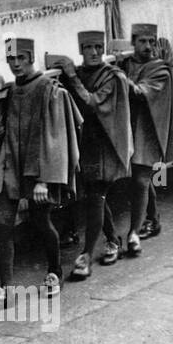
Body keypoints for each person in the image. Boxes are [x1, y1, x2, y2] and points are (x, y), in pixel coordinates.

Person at [0, 38, 81, 298]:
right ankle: (6, 287)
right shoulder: (13, 90)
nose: (15, 64)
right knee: (2, 224)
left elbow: (54, 137)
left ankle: (54, 271)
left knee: (41, 220)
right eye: (11, 59)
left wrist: (44, 180)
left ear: (31, 57)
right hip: (12, 165)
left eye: (20, 58)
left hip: (38, 170)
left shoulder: (48, 89)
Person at [53, 31, 132, 277]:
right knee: (94, 197)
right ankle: (113, 240)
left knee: (96, 195)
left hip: (105, 146)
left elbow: (90, 103)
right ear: (81, 49)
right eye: (89, 47)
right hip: (85, 144)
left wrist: (72, 76)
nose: (95, 52)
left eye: (99, 47)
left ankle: (85, 255)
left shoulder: (112, 76)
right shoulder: (79, 73)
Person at [116, 24, 173, 248]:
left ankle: (133, 232)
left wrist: (117, 76)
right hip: (129, 128)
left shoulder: (160, 69)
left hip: (149, 130)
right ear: (133, 42)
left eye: (152, 42)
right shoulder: (125, 64)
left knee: (142, 180)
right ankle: (153, 219)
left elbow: (139, 92)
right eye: (143, 41)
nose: (148, 46)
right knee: (138, 178)